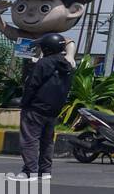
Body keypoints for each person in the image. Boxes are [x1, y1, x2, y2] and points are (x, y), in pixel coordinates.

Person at [14, 33, 73, 181]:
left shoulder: (43, 63)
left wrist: (24, 103)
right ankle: (45, 171)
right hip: (53, 110)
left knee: (30, 140)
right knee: (47, 141)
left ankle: (30, 172)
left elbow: (31, 85)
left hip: (36, 108)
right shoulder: (67, 66)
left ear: (47, 48)